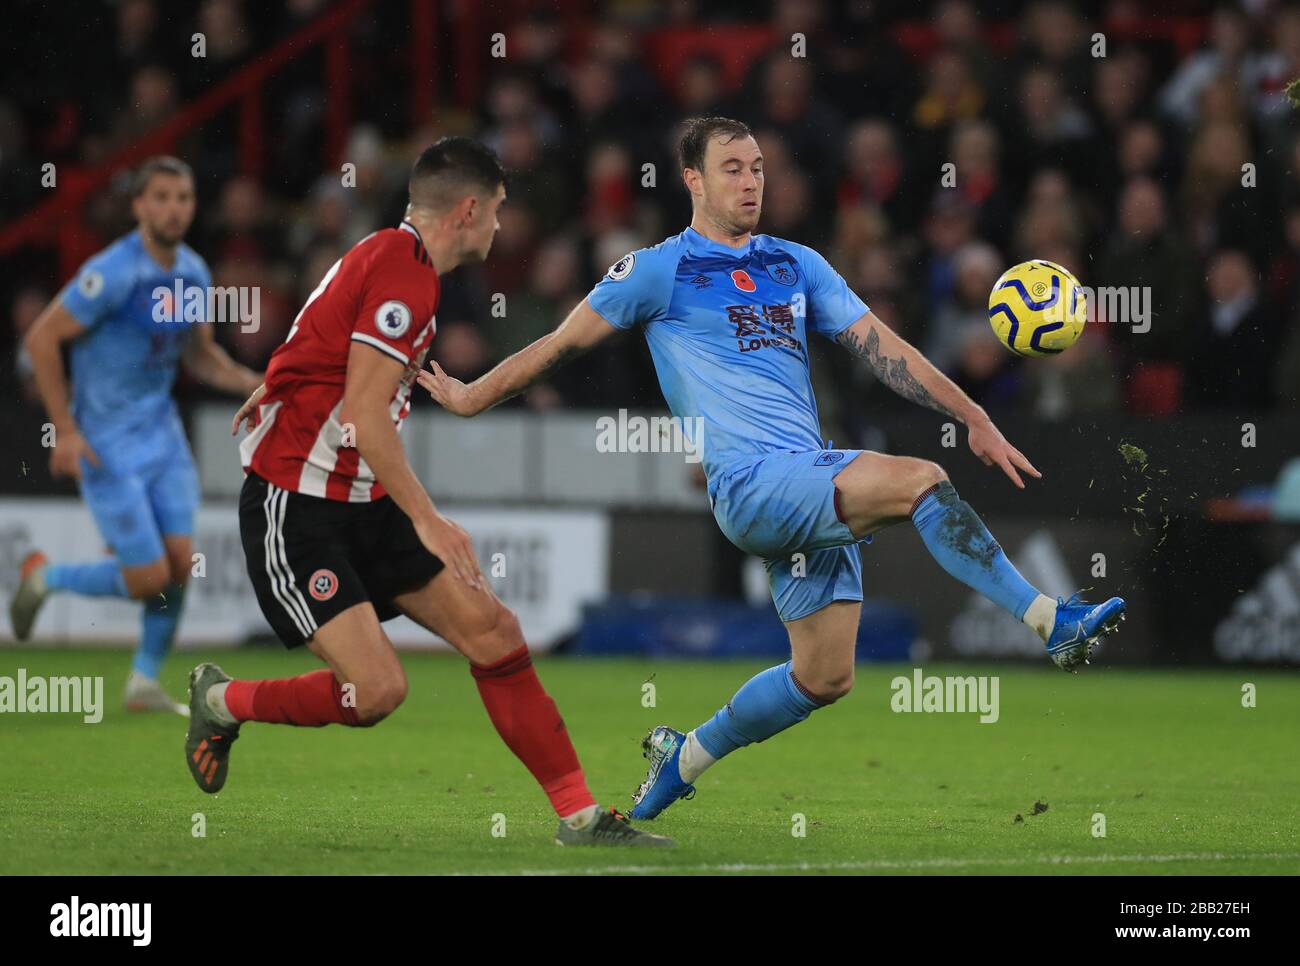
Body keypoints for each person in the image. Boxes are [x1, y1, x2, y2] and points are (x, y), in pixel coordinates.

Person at [418, 118, 1126, 822]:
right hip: (752, 484)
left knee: (823, 677)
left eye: (757, 167)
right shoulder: (660, 270)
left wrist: (971, 411)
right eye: (732, 168)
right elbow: (558, 345)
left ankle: (684, 757)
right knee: (920, 481)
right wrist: (473, 396)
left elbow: (886, 348)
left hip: (806, 486)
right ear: (692, 179)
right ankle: (1048, 618)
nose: (751, 181)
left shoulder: (797, 265)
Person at [194, 137, 670, 848]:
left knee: (495, 633)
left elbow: (323, 337)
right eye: (499, 210)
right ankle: (221, 700)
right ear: (469, 210)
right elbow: (362, 413)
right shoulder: (404, 274)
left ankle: (580, 816)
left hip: (362, 498)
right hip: (298, 508)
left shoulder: (393, 258)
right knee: (377, 692)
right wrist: (433, 521)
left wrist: (286, 376)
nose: (502, 226)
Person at [12, 156, 263, 714]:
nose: (174, 209)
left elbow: (202, 357)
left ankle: (143, 682)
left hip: (163, 437)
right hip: (106, 442)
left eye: (184, 198)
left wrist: (261, 382)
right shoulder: (113, 273)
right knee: (148, 576)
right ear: (139, 206)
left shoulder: (194, 273)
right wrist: (66, 431)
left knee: (178, 567)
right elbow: (41, 340)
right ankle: (45, 576)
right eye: (163, 197)